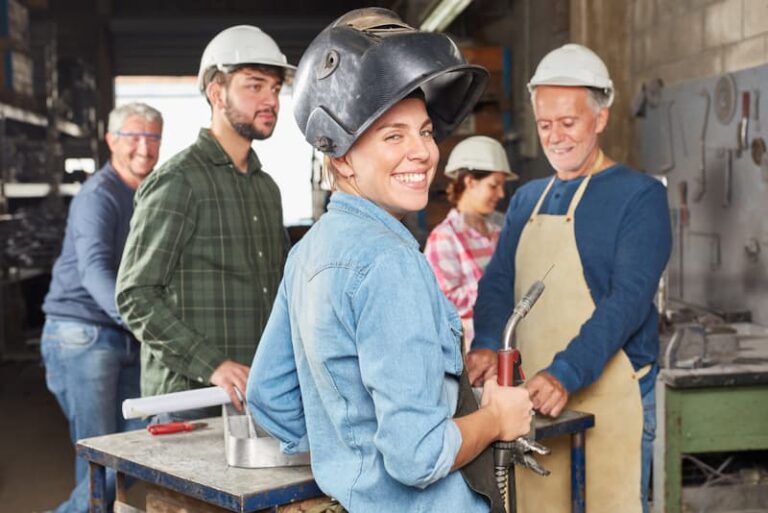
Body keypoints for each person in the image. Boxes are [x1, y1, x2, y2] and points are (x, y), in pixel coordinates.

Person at [246, 9, 533, 513]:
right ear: (340, 157)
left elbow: (269, 396)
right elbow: (417, 457)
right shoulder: (390, 262)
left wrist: (354, 460)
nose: (422, 152)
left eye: (424, 131)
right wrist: (497, 419)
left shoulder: (309, 251)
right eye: (392, 136)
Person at [468, 43, 672, 513]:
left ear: (600, 118)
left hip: (610, 396)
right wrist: (484, 341)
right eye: (544, 125)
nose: (555, 137)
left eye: (568, 123)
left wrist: (566, 371)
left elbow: (628, 301)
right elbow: (499, 281)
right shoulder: (526, 200)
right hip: (533, 397)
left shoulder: (639, 197)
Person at [115, 25, 294, 420]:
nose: (270, 100)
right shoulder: (178, 181)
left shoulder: (267, 190)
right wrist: (212, 364)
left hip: (253, 399)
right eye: (254, 86)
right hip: (188, 403)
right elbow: (135, 295)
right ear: (217, 92)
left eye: (276, 89)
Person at [41, 102, 163, 513]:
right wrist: (145, 323)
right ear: (112, 140)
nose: (144, 148)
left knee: (128, 452)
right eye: (134, 136)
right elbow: (94, 272)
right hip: (82, 334)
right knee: (100, 460)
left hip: (122, 335)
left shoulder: (146, 193)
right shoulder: (99, 195)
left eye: (153, 137)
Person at [424, 136, 518, 350]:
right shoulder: (445, 238)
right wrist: (501, 289)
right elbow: (446, 303)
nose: (501, 194)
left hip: (510, 347)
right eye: (494, 185)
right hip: (473, 357)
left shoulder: (499, 232)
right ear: (469, 182)